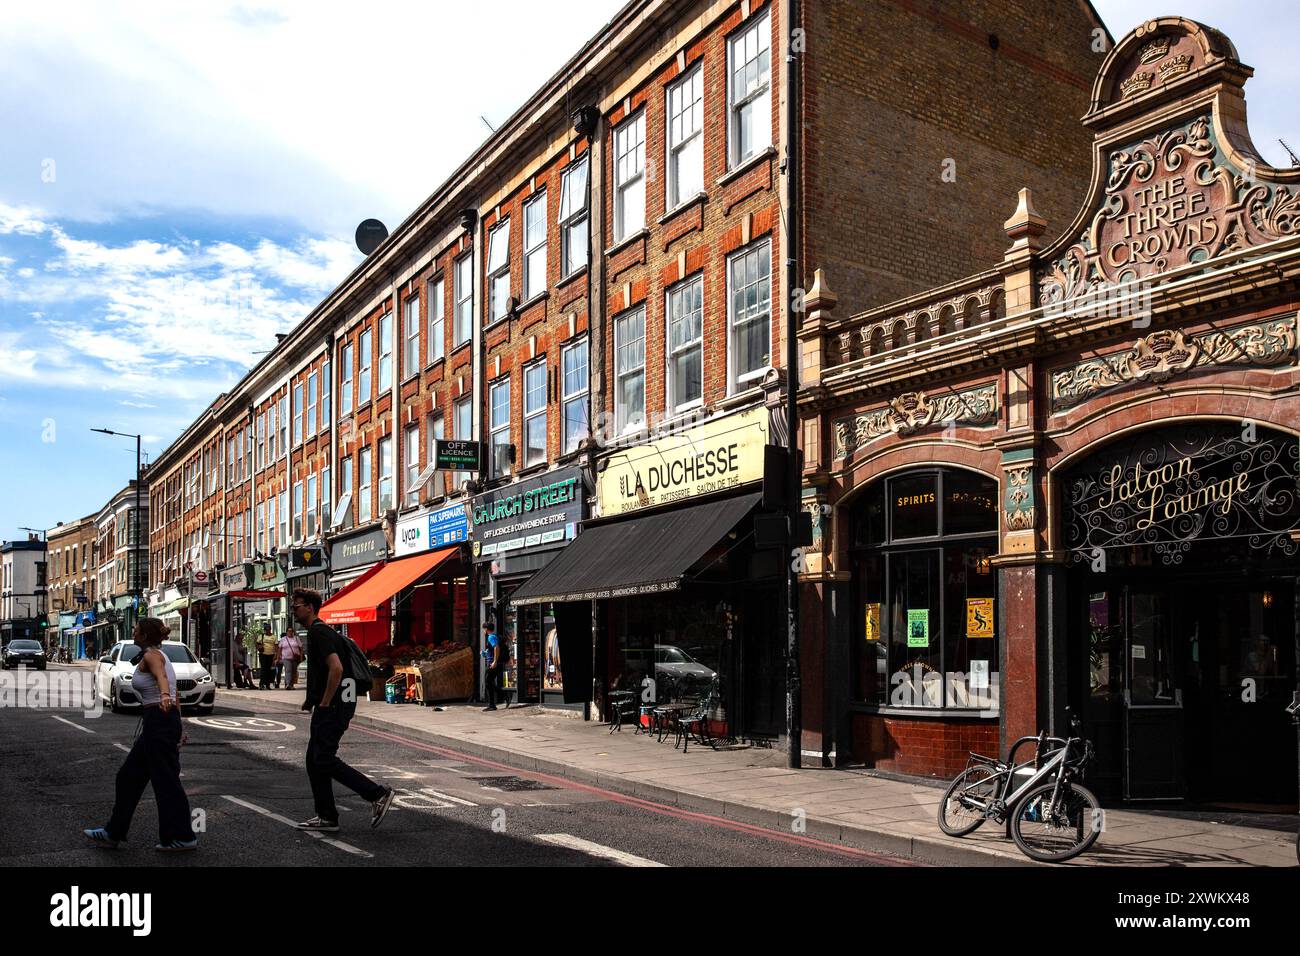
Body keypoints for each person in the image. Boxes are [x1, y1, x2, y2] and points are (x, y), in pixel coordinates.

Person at [83, 618, 198, 851]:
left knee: (165, 780)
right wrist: (180, 725)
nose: (133, 631)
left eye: (136, 630)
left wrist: (164, 696)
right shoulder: (153, 655)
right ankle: (113, 832)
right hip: (162, 721)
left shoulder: (152, 656)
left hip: (159, 720)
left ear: (144, 635)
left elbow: (164, 682)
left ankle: (182, 836)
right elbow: (175, 694)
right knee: (128, 777)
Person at [291, 588, 393, 832]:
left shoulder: (318, 632)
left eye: (297, 605)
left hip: (334, 706)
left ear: (310, 607)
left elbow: (335, 668)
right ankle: (326, 816)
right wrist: (312, 699)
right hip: (337, 704)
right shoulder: (323, 631)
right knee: (314, 761)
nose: (294, 609)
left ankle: (376, 794)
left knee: (323, 759)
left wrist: (324, 702)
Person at [481, 619, 503, 711]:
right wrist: (485, 653)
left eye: (483, 629)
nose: (483, 631)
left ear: (486, 629)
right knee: (489, 682)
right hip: (491, 661)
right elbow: (492, 650)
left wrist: (494, 661)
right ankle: (501, 696)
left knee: (487, 682)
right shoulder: (492, 636)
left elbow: (496, 648)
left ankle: (492, 704)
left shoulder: (491, 637)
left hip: (492, 663)